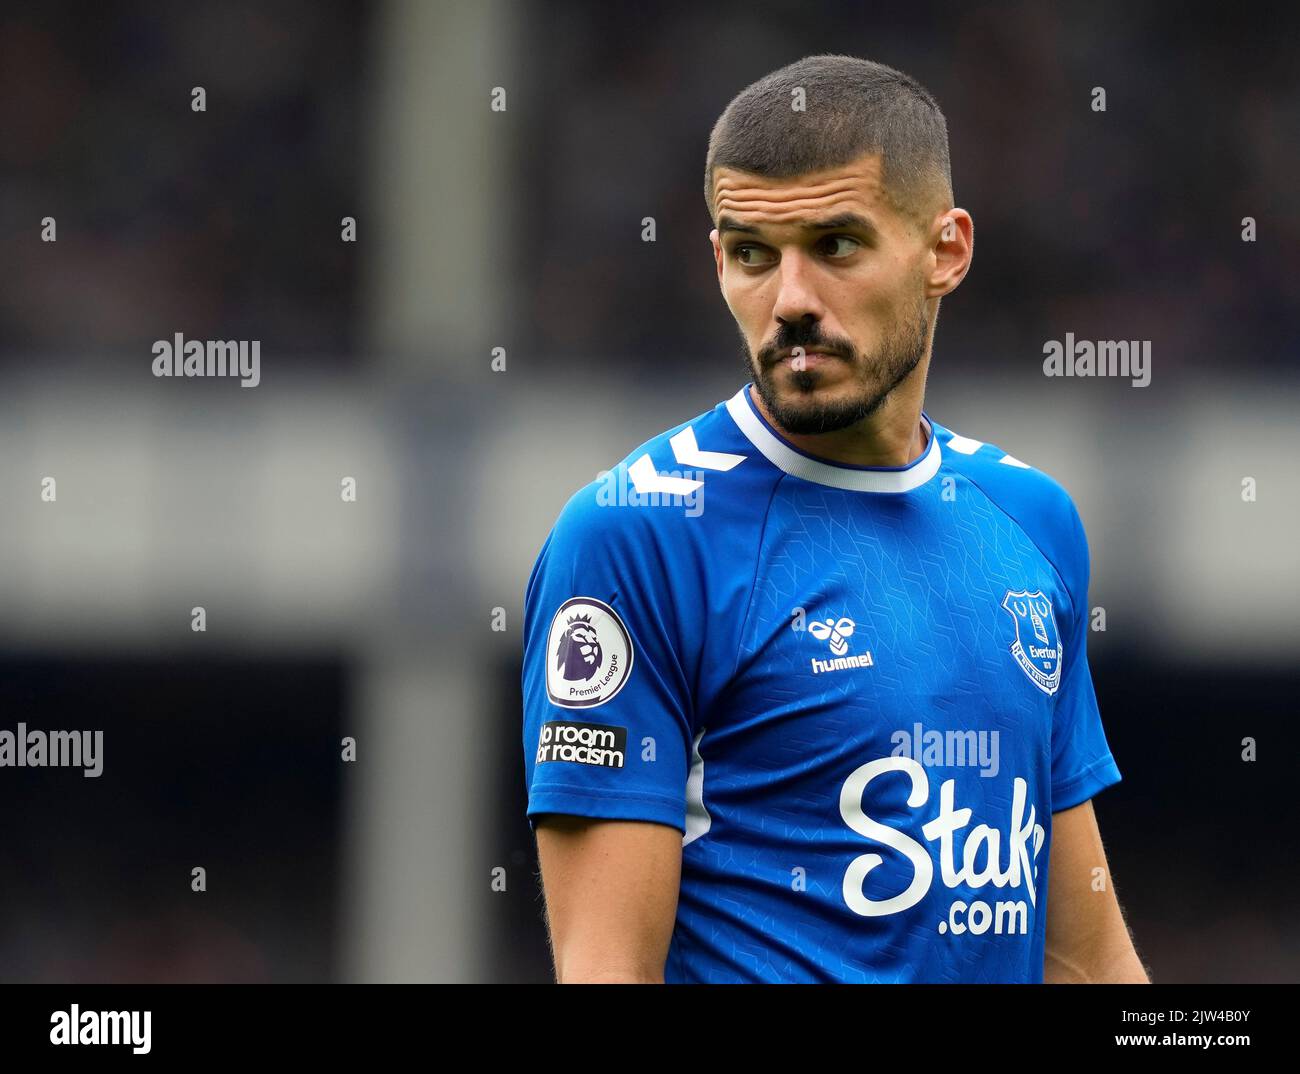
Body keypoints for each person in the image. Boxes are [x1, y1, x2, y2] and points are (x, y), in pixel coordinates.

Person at [521, 54, 1148, 984]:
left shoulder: (1030, 522)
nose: (792, 303)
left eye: (838, 246)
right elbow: (606, 969)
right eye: (752, 254)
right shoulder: (637, 536)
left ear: (946, 250)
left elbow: (1087, 962)